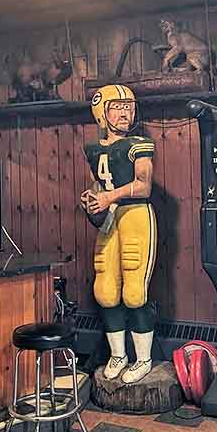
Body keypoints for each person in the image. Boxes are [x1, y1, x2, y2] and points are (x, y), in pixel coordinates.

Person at [81, 84, 157, 385]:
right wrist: (90, 199)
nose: (125, 112)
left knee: (135, 292)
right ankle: (118, 355)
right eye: (117, 107)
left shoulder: (139, 145)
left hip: (136, 215)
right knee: (106, 290)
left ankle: (144, 359)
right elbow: (97, 186)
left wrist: (109, 198)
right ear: (102, 113)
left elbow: (143, 185)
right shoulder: (94, 149)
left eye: (129, 106)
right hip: (112, 218)